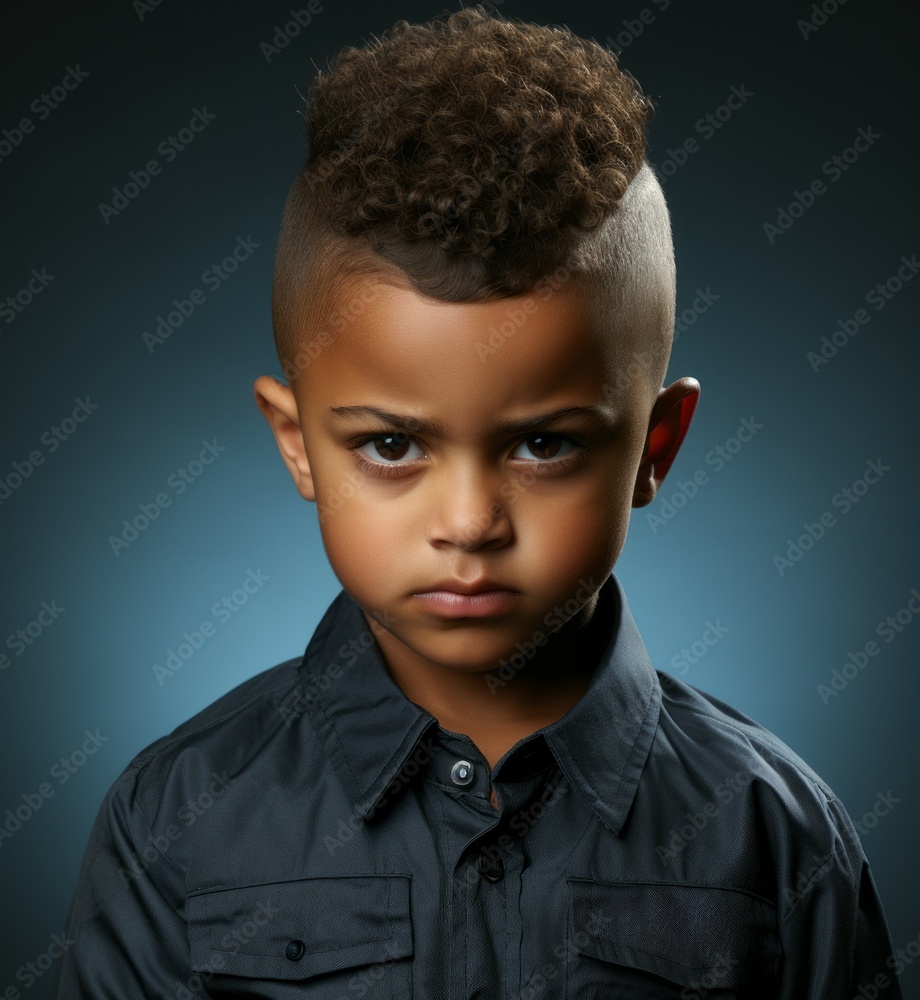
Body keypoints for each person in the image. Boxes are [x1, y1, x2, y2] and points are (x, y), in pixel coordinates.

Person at [53, 6, 902, 998]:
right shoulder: (176, 816)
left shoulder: (774, 831)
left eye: (543, 444)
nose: (468, 523)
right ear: (298, 446)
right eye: (390, 445)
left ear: (653, 447)